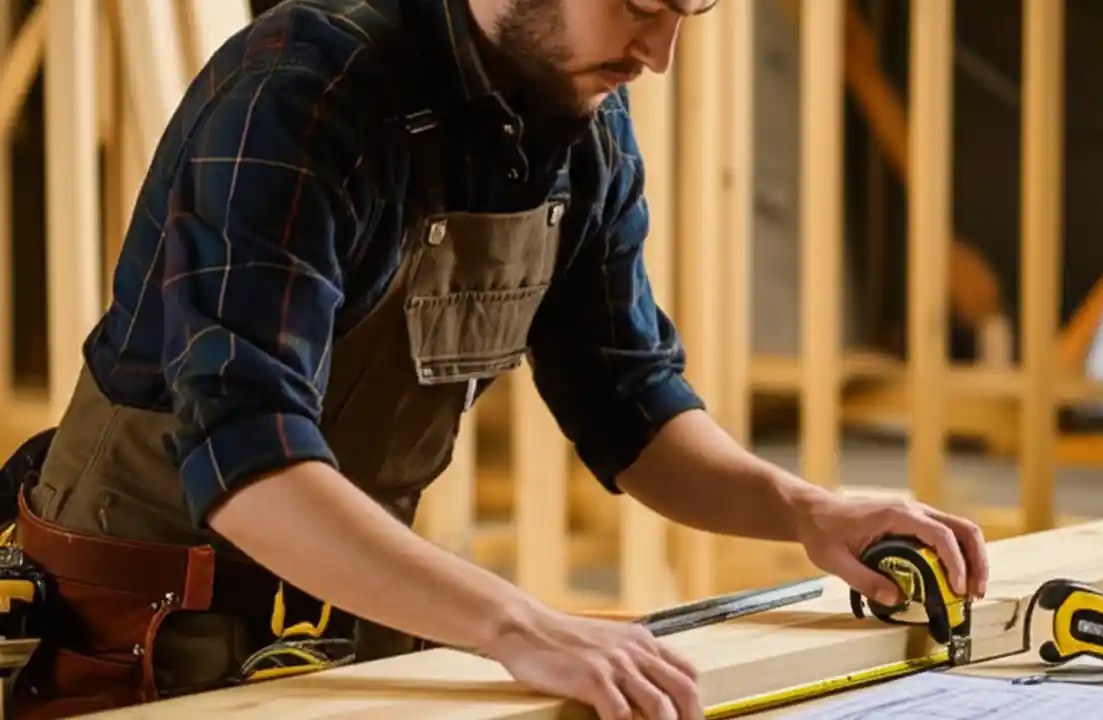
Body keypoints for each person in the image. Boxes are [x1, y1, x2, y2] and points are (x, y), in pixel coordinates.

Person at [0, 0, 989, 717]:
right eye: (639, 9)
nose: (659, 56)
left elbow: (630, 402)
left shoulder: (582, 127)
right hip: (130, 642)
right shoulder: (304, 90)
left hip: (348, 626)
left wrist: (804, 510)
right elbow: (244, 460)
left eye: (689, 13)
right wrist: (519, 624)